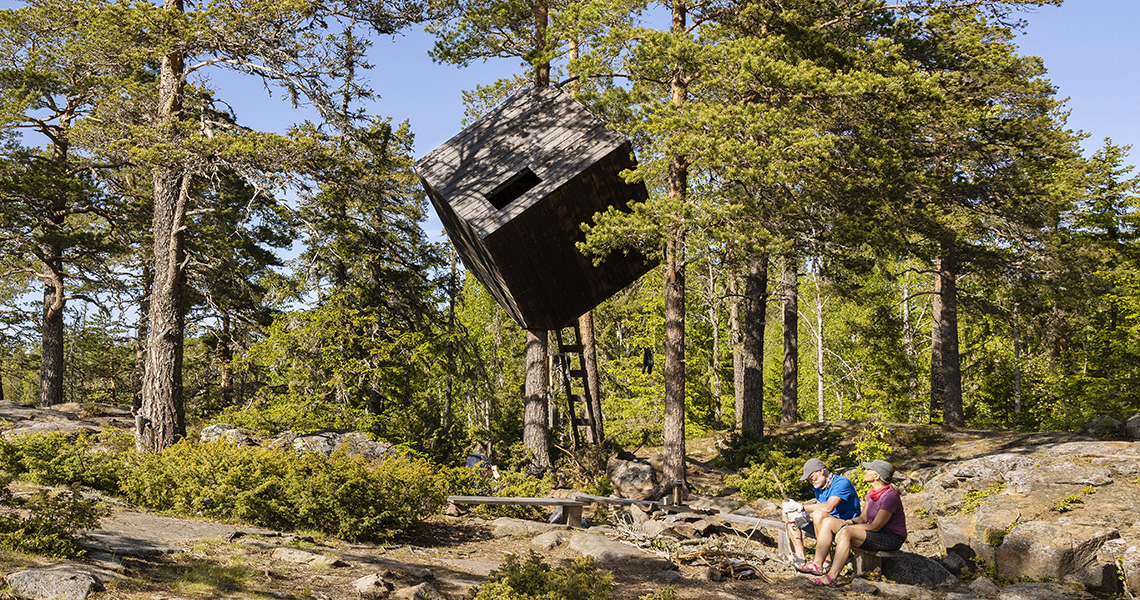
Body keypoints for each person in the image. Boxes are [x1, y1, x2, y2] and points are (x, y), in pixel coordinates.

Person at [804, 459, 908, 586]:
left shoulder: (889, 497)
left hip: (890, 537)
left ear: (876, 476)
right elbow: (863, 518)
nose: (865, 471)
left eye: (868, 470)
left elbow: (875, 527)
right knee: (828, 522)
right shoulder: (872, 492)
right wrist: (850, 522)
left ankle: (831, 577)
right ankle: (817, 564)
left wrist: (847, 527)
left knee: (846, 532)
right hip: (875, 531)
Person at [783, 458, 861, 571]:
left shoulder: (842, 483)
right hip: (824, 521)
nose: (810, 480)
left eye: (811, 476)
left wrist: (800, 507)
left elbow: (828, 507)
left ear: (821, 471)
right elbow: (819, 507)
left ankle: (826, 561)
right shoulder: (818, 485)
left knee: (819, 515)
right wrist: (802, 518)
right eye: (808, 478)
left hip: (844, 525)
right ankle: (800, 558)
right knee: (791, 516)